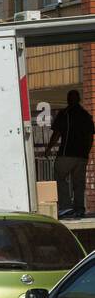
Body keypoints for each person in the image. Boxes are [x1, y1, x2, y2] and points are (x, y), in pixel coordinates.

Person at [46, 89, 94, 218]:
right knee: (78, 182)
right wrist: (86, 153)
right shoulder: (86, 115)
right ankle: (79, 208)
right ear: (79, 99)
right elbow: (90, 137)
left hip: (66, 154)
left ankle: (66, 206)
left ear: (68, 99)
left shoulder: (64, 114)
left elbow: (56, 134)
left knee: (60, 175)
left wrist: (48, 148)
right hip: (81, 156)